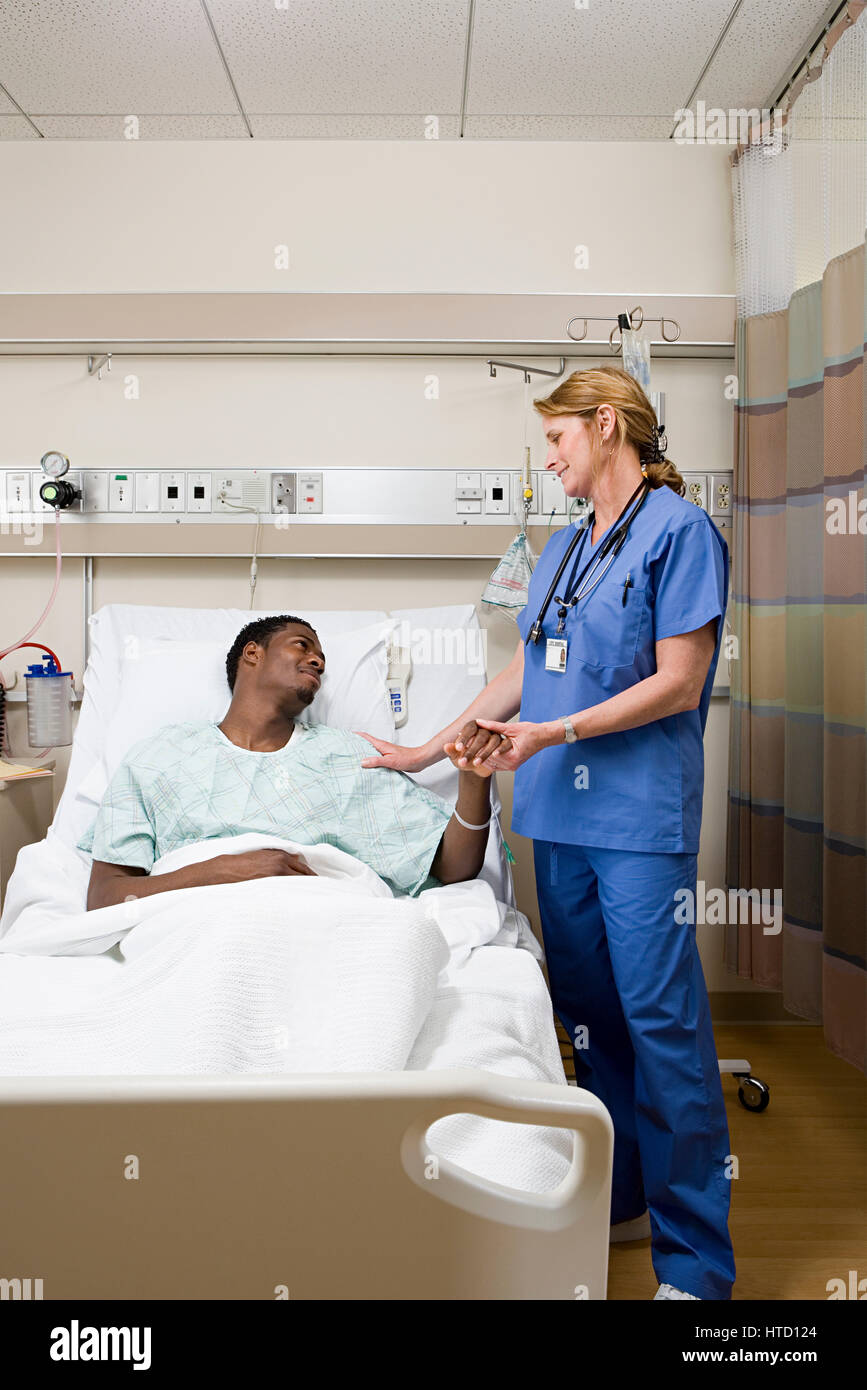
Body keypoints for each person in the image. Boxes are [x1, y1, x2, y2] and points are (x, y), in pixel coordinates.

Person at [356, 366, 736, 1301]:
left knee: (659, 1025)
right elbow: (527, 670)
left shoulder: (680, 534)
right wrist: (428, 752)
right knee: (590, 1022)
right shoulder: (567, 548)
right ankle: (622, 1191)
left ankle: (694, 1267)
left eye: (558, 439)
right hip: (554, 818)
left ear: (606, 426)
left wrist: (555, 732)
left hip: (636, 819)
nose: (550, 458)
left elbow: (678, 681)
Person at [78, 615, 492, 912]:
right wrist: (218, 871)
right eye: (302, 645)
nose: (318, 661)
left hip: (321, 927)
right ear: (252, 653)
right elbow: (106, 897)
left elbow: (453, 868)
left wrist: (473, 782)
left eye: (322, 658)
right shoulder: (160, 756)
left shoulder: (347, 757)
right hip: (194, 932)